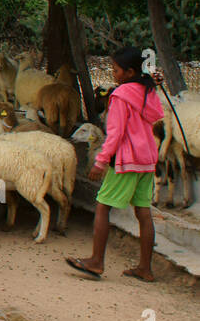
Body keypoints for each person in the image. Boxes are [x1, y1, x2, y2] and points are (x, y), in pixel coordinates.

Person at [66, 47, 166, 282]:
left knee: (102, 206)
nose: (113, 73)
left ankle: (96, 262)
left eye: (116, 69)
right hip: (147, 160)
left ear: (130, 72)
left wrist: (101, 161)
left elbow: (116, 133)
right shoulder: (147, 91)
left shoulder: (120, 96)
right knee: (143, 211)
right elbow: (156, 114)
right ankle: (145, 268)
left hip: (126, 160)